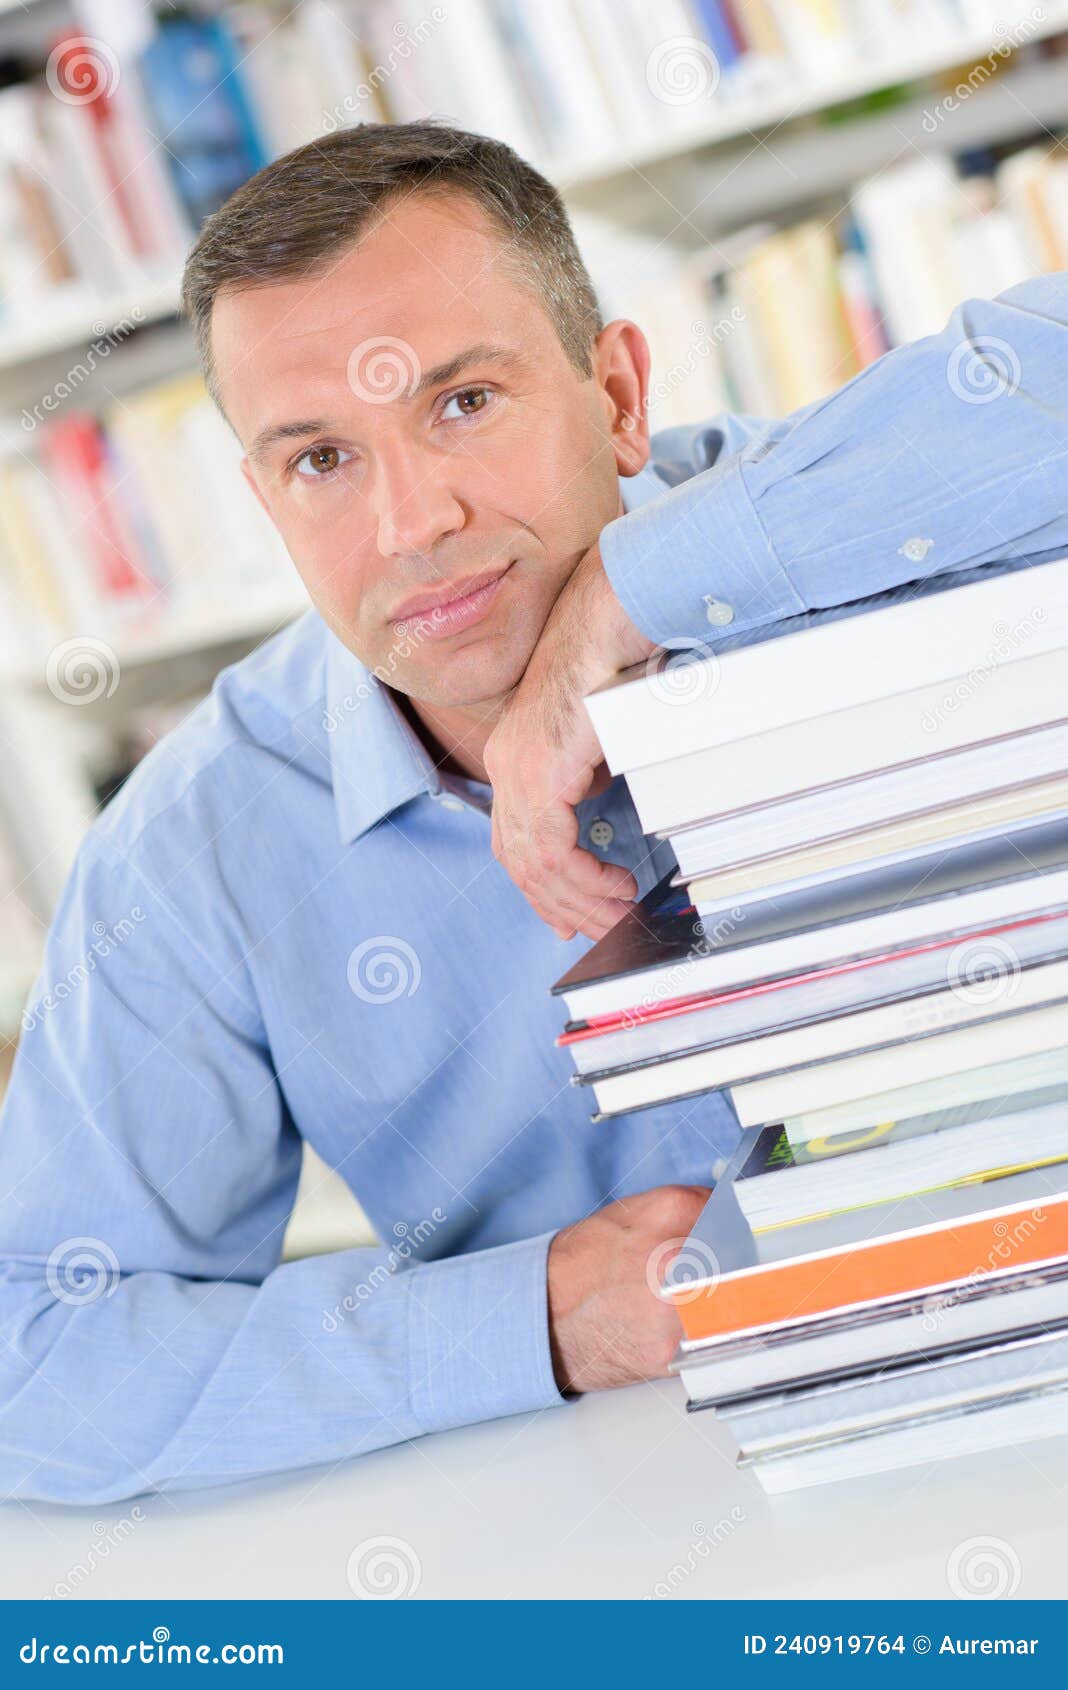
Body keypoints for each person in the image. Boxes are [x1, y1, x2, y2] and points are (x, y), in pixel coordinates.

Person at [1, 122, 1065, 1505]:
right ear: (263, 500)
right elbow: (33, 1352)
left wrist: (635, 594)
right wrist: (532, 1319)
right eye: (320, 459)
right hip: (656, 1536)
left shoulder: (870, 523)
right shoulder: (197, 852)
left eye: (463, 403)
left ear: (618, 393)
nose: (413, 520)